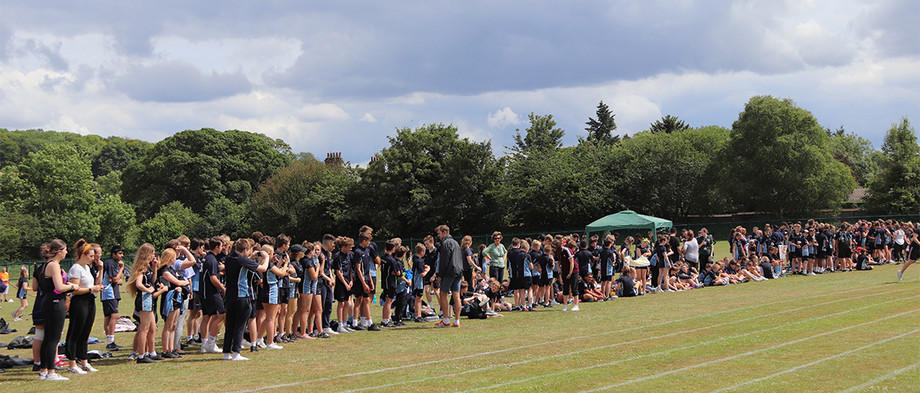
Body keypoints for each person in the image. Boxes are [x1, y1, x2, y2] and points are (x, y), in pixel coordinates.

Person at [222, 238, 270, 361]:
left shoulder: (229, 257)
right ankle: (236, 352)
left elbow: (242, 264)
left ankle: (226, 352)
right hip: (242, 296)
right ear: (245, 250)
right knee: (240, 325)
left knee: (230, 325)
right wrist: (266, 258)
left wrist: (251, 258)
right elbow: (263, 269)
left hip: (230, 296)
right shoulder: (242, 260)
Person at [37, 239, 76, 381]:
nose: (66, 252)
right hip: (54, 302)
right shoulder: (53, 265)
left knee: (48, 338)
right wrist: (72, 287)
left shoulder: (52, 264)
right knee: (53, 338)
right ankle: (51, 372)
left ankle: (44, 370)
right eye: (65, 249)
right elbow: (59, 287)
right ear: (59, 251)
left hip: (51, 302)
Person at [64, 239, 104, 374]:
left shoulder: (87, 268)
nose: (93, 259)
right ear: (83, 255)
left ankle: (84, 361)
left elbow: (96, 283)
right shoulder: (76, 268)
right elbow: (74, 289)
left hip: (90, 300)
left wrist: (101, 269)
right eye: (91, 256)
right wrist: (91, 289)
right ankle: (72, 364)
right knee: (75, 332)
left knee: (85, 332)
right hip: (79, 302)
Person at [128, 244, 168, 364]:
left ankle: (152, 352)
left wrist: (155, 267)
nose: (153, 256)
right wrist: (148, 290)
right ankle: (141, 355)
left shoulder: (148, 268)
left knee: (152, 327)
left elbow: (153, 281)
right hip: (144, 300)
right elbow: (139, 284)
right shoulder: (141, 269)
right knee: (143, 329)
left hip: (148, 300)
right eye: (152, 253)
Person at [200, 237, 226, 354]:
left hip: (203, 292)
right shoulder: (212, 260)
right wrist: (222, 287)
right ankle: (211, 343)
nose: (222, 248)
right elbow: (213, 278)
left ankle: (204, 344)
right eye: (221, 246)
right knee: (222, 314)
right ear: (217, 247)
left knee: (207, 316)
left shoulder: (207, 258)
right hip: (211, 292)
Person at [434, 225, 464, 327]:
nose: (438, 236)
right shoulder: (456, 242)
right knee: (456, 295)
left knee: (443, 294)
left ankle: (446, 320)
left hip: (449, 272)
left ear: (444, 232)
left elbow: (444, 261)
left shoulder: (445, 243)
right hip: (458, 271)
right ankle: (457, 321)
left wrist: (440, 275)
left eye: (439, 233)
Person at [100, 245, 125, 351]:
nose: (122, 255)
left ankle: (110, 341)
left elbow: (118, 280)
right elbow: (114, 279)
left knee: (109, 316)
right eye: (119, 253)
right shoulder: (110, 263)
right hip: (109, 293)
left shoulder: (113, 263)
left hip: (111, 293)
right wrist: (121, 268)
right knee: (114, 315)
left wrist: (118, 280)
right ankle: (110, 342)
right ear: (113, 254)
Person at [333, 236, 355, 334]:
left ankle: (346, 324)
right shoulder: (338, 256)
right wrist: (345, 284)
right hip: (341, 284)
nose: (351, 249)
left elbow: (350, 269)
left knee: (346, 303)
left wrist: (351, 281)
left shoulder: (350, 255)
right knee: (341, 303)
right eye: (349, 247)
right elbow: (337, 272)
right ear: (344, 246)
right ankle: (340, 324)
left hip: (348, 282)